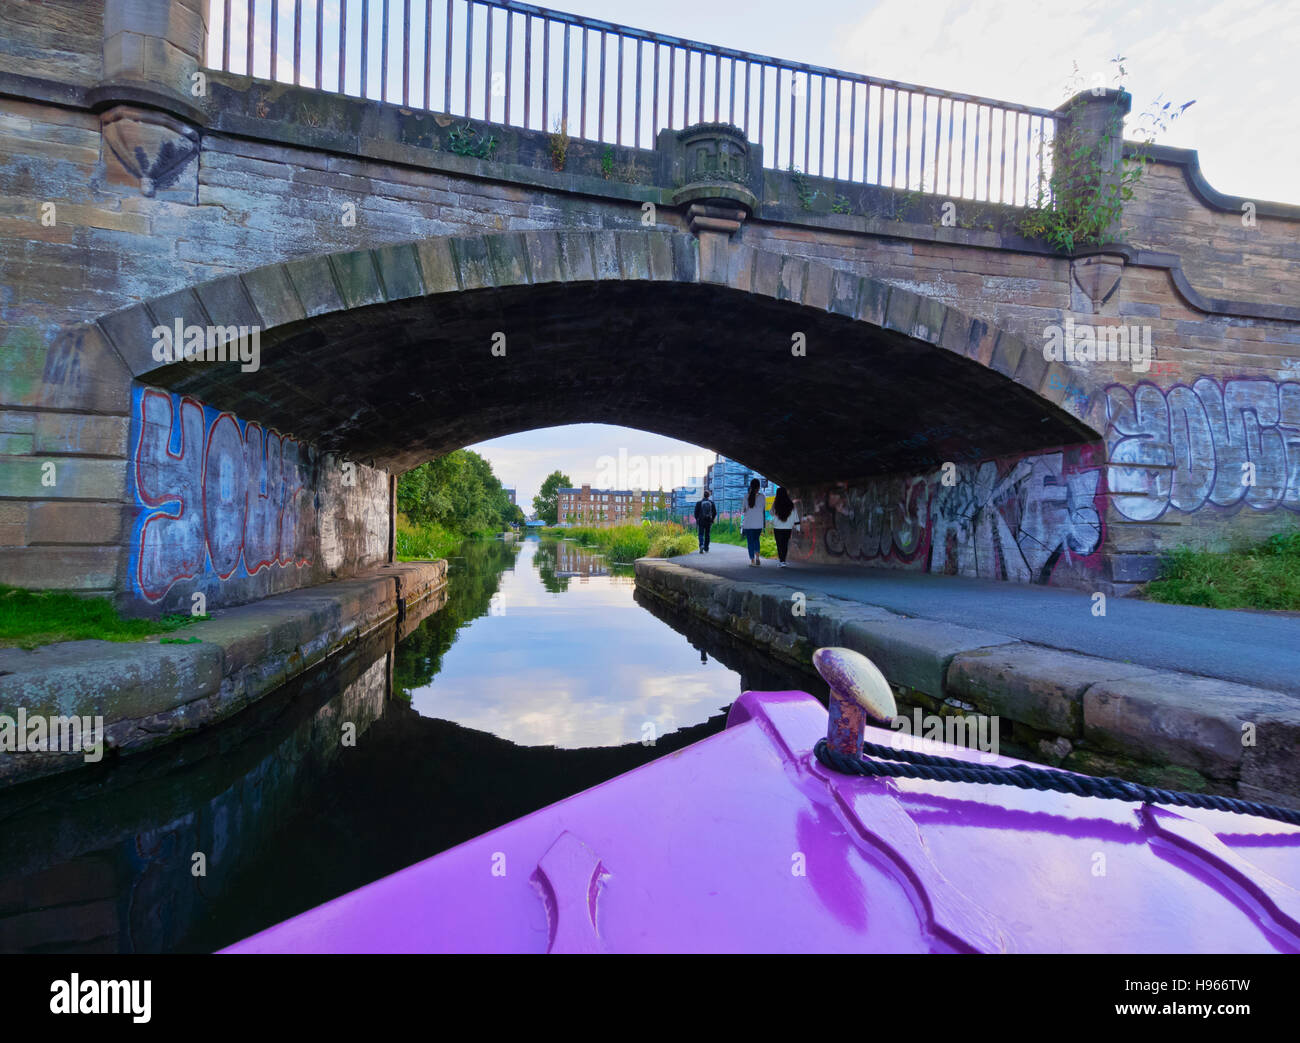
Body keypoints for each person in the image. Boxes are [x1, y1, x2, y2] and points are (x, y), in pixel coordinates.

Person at [770, 487, 801, 567]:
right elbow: (796, 516)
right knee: (785, 544)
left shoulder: (776, 503)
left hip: (777, 527)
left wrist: (774, 504)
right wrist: (798, 528)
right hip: (788, 527)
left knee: (779, 544)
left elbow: (771, 513)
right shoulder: (790, 504)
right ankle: (783, 561)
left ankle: (782, 561)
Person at [740, 478, 766, 567]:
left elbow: (743, 510)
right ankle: (758, 557)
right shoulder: (762, 497)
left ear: (750, 486)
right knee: (756, 540)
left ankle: (752, 561)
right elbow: (762, 509)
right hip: (758, 523)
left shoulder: (746, 496)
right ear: (759, 487)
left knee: (750, 542)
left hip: (748, 523)